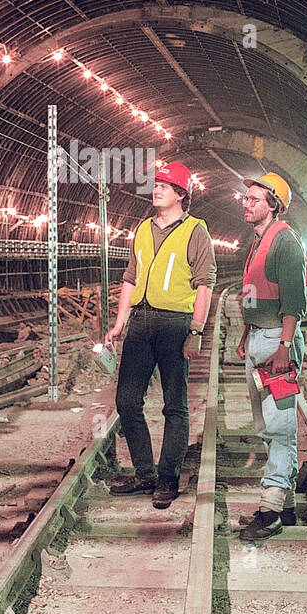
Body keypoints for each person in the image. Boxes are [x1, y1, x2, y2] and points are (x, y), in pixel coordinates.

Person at [103, 160, 216, 508]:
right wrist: (119, 322)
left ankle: (168, 479)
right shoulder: (142, 229)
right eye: (156, 184)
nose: (156, 189)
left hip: (174, 324)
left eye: (165, 185)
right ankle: (144, 473)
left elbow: (205, 285)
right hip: (140, 321)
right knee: (127, 401)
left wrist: (196, 330)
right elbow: (130, 278)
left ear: (181, 194)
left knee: (174, 405)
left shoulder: (196, 230)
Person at [236, 173, 307, 541]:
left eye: (253, 199)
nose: (245, 203)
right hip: (259, 340)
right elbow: (255, 293)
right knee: (266, 427)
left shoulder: (285, 243)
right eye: (245, 198)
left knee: (280, 427)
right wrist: (245, 333)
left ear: (273, 204)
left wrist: (284, 347)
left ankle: (270, 511)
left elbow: (294, 302)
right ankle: (286, 503)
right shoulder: (258, 241)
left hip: (276, 343)